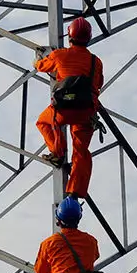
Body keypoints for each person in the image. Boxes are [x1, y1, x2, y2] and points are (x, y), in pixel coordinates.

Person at [35, 17, 105, 200]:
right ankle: (75, 191)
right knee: (81, 151)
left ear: (69, 36)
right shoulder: (95, 62)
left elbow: (41, 66)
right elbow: (98, 84)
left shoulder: (60, 55)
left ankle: (57, 153)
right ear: (88, 38)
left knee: (44, 122)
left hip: (63, 109)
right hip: (86, 111)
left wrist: (37, 60)